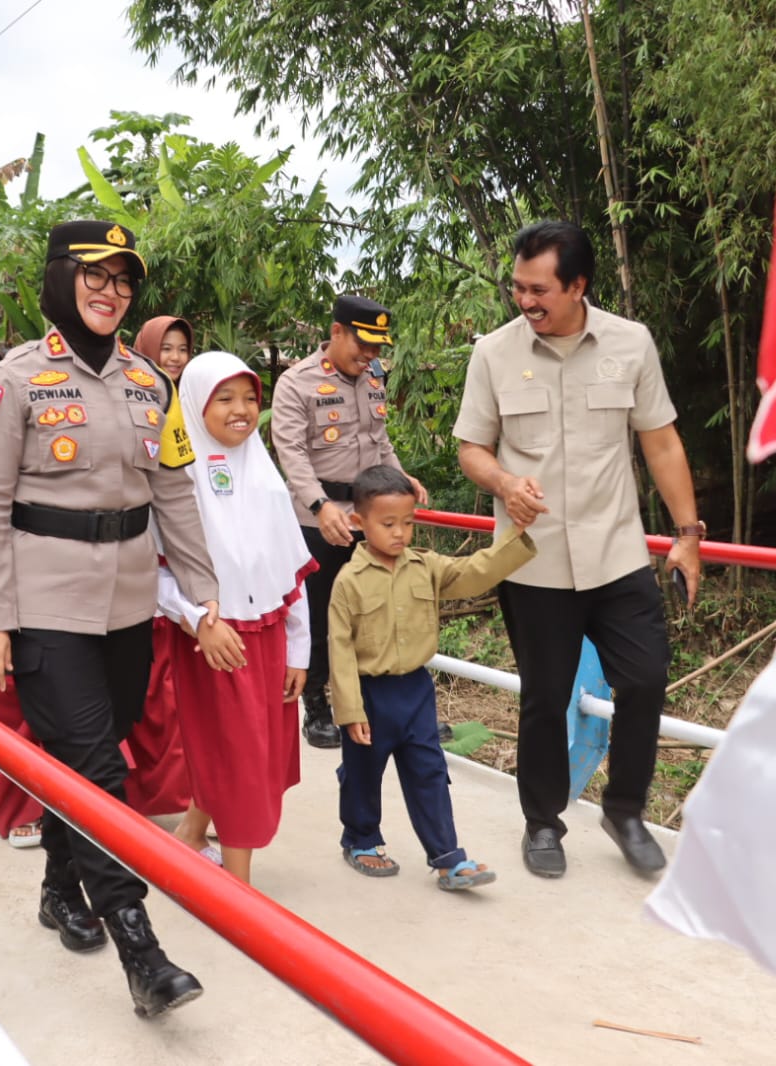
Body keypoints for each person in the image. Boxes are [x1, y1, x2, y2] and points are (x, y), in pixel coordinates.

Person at [0, 220, 223, 1018]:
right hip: (44, 603)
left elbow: (175, 491)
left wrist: (204, 590)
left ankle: (56, 888)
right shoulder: (16, 381)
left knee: (84, 762)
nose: (110, 292)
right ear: (58, 281)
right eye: (94, 276)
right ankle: (140, 949)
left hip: (124, 606)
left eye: (123, 281)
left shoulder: (153, 385)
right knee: (101, 773)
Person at [452, 219, 703, 879]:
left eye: (539, 290)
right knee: (543, 695)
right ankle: (542, 822)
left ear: (578, 285)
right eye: (517, 288)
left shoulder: (629, 344)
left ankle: (623, 811)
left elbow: (661, 443)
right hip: (531, 561)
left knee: (645, 680)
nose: (525, 301)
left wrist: (686, 537)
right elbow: (471, 447)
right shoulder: (495, 354)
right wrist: (504, 482)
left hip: (615, 554)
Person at [328, 465, 537, 889]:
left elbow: (476, 571)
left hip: (416, 692)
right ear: (358, 522)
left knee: (429, 770)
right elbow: (341, 648)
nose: (399, 533)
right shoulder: (349, 582)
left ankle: (447, 857)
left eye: (407, 522)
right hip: (370, 695)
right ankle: (362, 839)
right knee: (363, 772)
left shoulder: (426, 567)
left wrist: (516, 535)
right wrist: (349, 710)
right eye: (387, 524)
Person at [157, 351, 313, 885]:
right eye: (224, 398)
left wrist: (299, 651)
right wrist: (199, 617)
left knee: (254, 751)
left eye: (249, 398)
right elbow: (159, 569)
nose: (241, 410)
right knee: (242, 756)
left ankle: (192, 833)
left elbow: (291, 573)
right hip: (214, 638)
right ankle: (240, 886)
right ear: (196, 402)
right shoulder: (178, 476)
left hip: (267, 635)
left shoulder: (264, 475)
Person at [270, 295, 428, 749]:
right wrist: (321, 508)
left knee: (372, 609)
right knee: (320, 614)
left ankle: (368, 703)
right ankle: (317, 708)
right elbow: (291, 454)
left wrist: (401, 478)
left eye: (378, 347)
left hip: (366, 517)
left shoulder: (372, 379)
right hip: (315, 518)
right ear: (337, 331)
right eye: (364, 344)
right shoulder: (297, 382)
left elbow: (378, 442)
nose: (371, 355)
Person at [125, 315, 199, 821]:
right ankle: (130, 799)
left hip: (184, 559)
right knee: (143, 690)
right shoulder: (131, 404)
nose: (173, 358)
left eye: (181, 348)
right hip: (136, 559)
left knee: (174, 695)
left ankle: (175, 802)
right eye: (164, 348)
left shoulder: (196, 406)